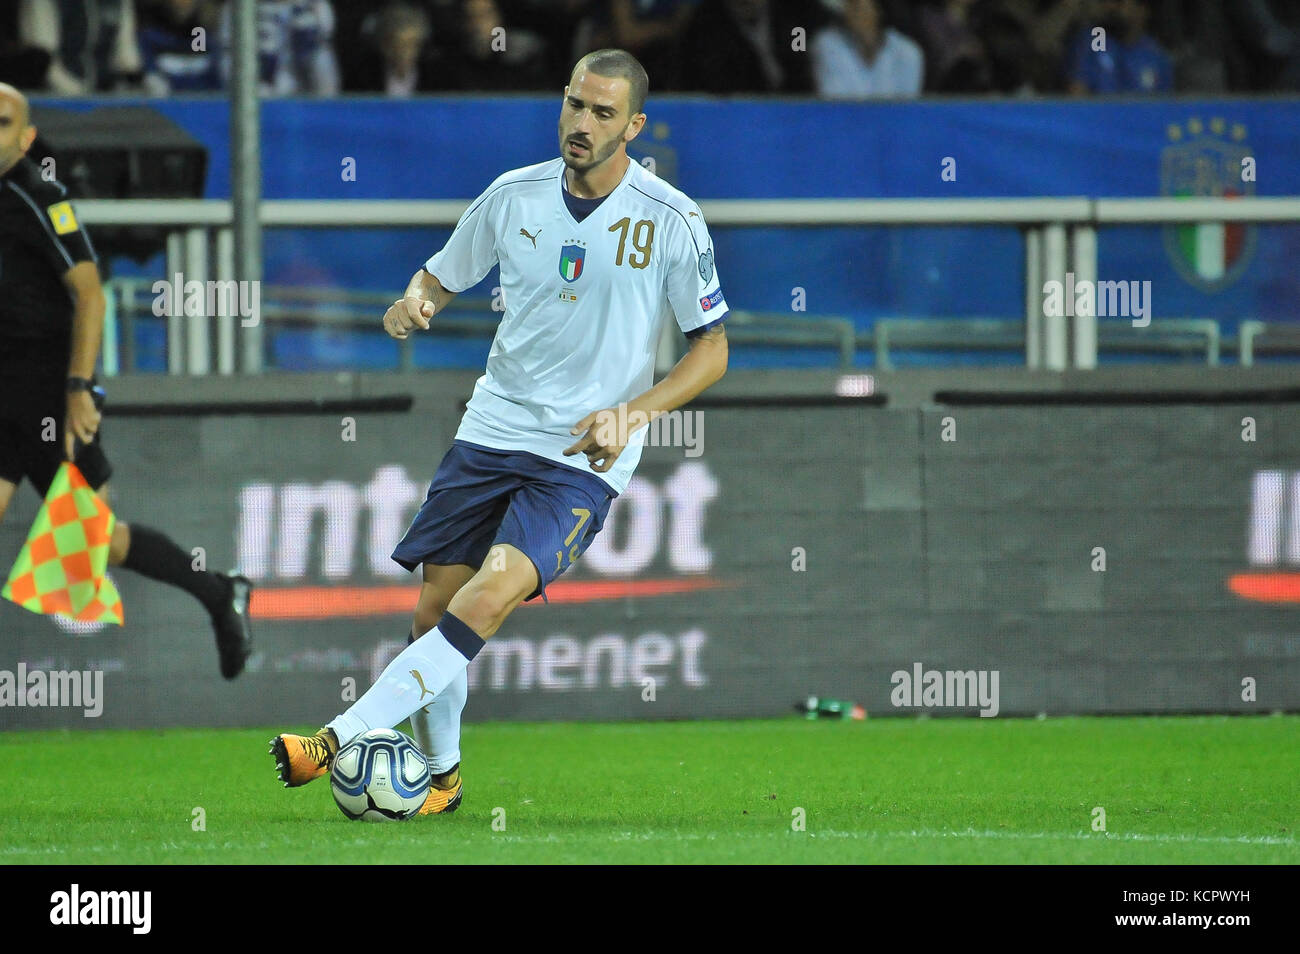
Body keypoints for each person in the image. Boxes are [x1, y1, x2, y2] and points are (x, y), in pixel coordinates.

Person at [270, 48, 730, 815]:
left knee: (487, 596)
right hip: (493, 426)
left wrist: (634, 413)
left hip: (584, 452)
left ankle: (335, 738)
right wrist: (412, 303)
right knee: (431, 615)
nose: (582, 124)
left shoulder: (672, 219)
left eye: (603, 113)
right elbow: (439, 277)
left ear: (635, 125)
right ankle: (443, 783)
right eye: (575, 105)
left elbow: (711, 347)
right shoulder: (512, 197)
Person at [0, 83, 253, 678]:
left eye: (3, 121)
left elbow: (90, 295)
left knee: (94, 546)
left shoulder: (40, 197)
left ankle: (219, 592)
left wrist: (80, 389)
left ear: (26, 137)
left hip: (47, 397)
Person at [813, 0, 924, 98]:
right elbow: (833, 101)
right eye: (847, 5)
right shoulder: (827, 44)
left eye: (856, 6)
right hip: (843, 120)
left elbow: (906, 107)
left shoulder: (907, 52)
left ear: (878, 9)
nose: (849, 13)